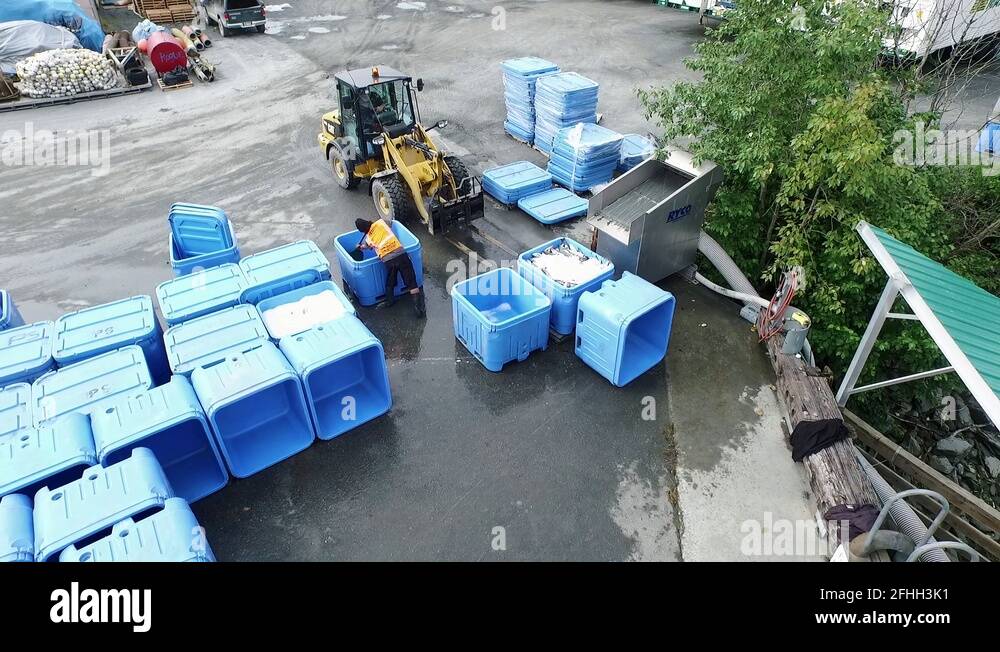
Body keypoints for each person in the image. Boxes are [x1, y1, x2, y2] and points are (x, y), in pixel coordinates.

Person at [354, 218, 425, 318]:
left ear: (362, 231)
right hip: (400, 254)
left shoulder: (369, 238)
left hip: (388, 260)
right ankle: (419, 309)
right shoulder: (380, 222)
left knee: (390, 280)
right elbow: (391, 222)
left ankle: (390, 301)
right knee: (411, 282)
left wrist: (359, 247)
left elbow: (366, 247)